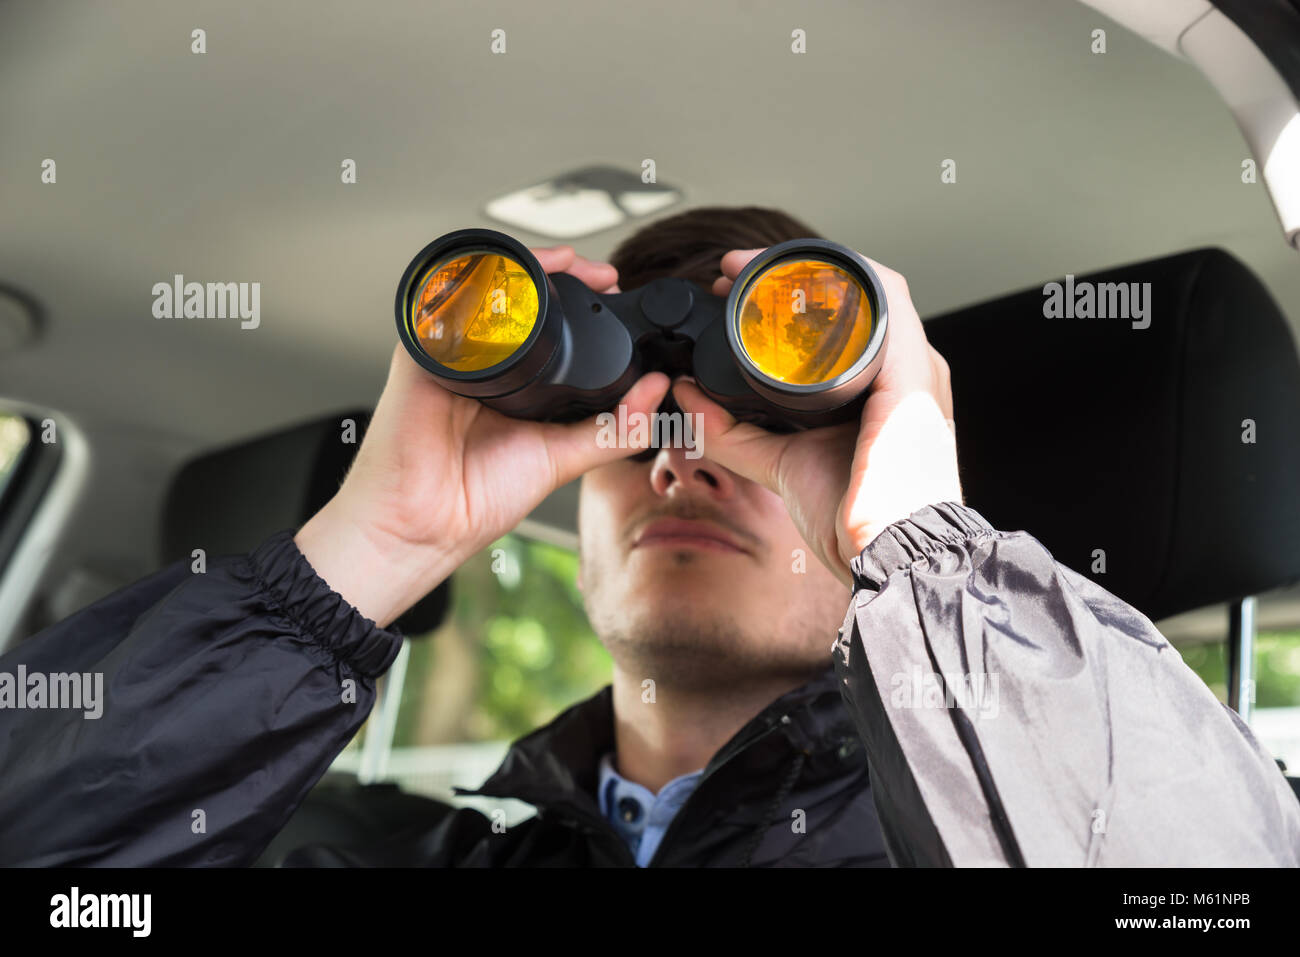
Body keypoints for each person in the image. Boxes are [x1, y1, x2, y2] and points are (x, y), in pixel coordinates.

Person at [1, 207, 1296, 867]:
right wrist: (363, 552)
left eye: (755, 408)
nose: (686, 451)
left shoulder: (977, 837)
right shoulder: (382, 845)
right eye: (635, 422)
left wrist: (925, 548)